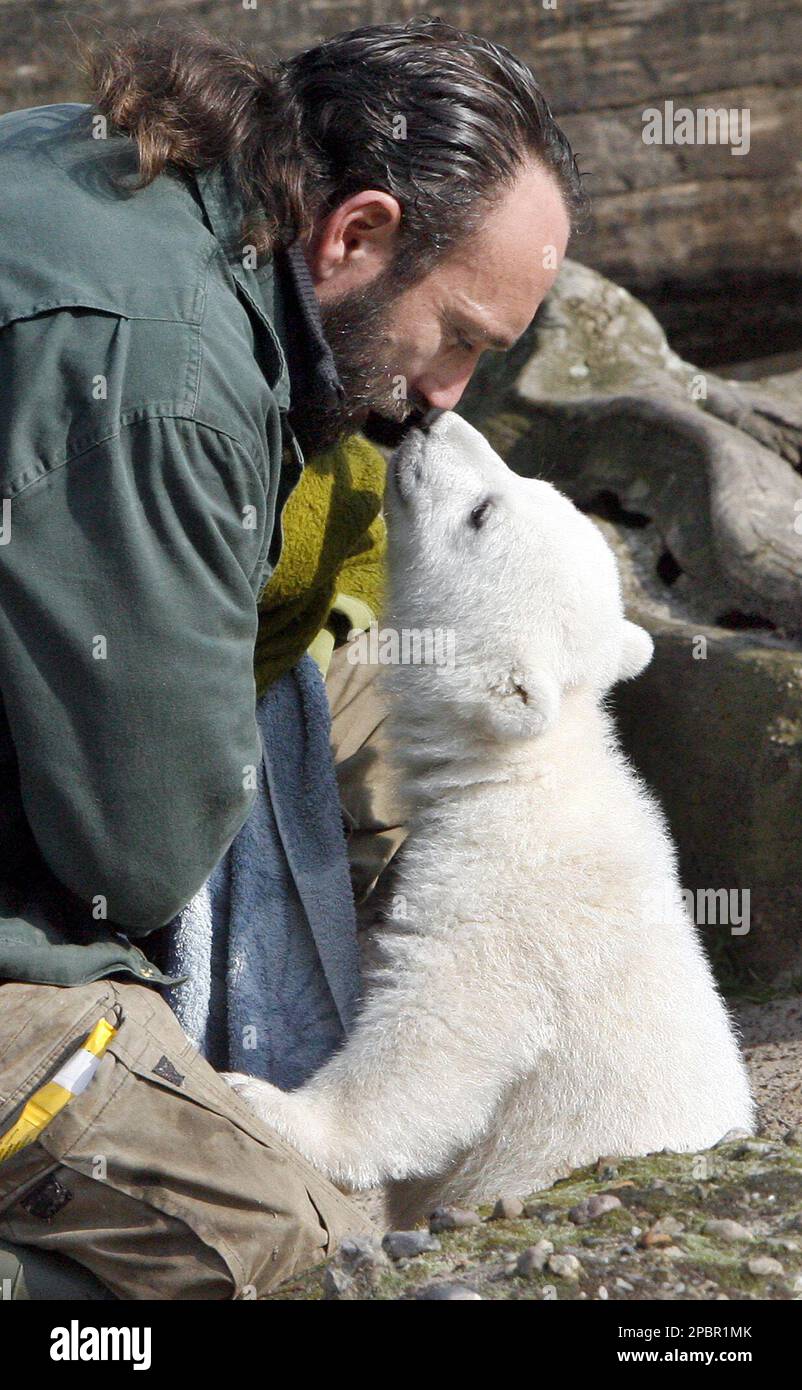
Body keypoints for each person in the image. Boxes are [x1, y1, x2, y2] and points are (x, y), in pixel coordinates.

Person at [0, 17, 582, 1298]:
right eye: (462, 337)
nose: (450, 398)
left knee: (423, 727)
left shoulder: (120, 172)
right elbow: (136, 855)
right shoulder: (163, 371)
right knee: (307, 1249)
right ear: (357, 233)